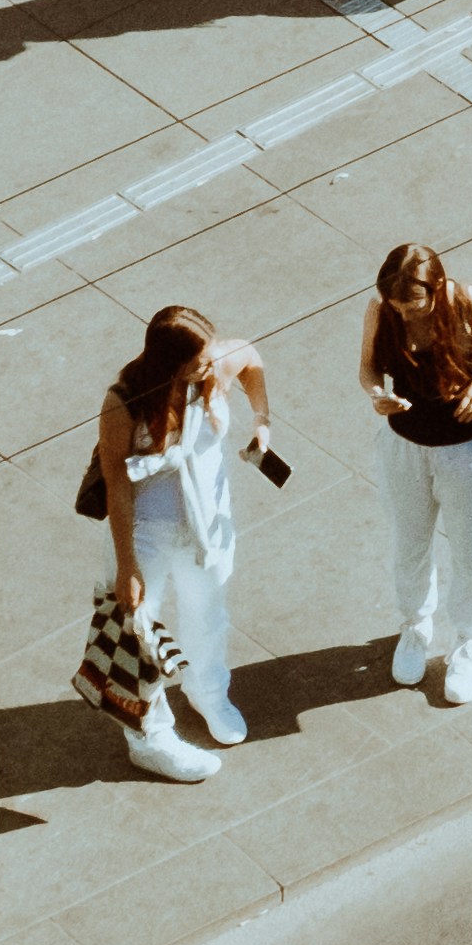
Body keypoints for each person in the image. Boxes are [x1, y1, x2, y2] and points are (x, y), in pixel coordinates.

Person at [80, 305, 289, 771]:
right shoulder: (125, 399)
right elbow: (116, 482)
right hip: (145, 530)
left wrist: (262, 421)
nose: (209, 366)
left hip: (207, 522)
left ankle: (208, 692)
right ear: (169, 362)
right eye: (198, 361)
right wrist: (127, 563)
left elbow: (250, 358)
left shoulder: (215, 367)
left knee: (207, 613)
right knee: (140, 632)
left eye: (211, 357)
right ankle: (149, 737)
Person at [361, 243, 472, 709]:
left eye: (413, 305)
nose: (405, 314)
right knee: (408, 545)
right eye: (397, 306)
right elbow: (369, 368)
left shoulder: (469, 302)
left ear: (436, 288)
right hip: (404, 447)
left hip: (465, 450)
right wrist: (378, 396)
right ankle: (414, 630)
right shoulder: (382, 309)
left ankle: (467, 642)